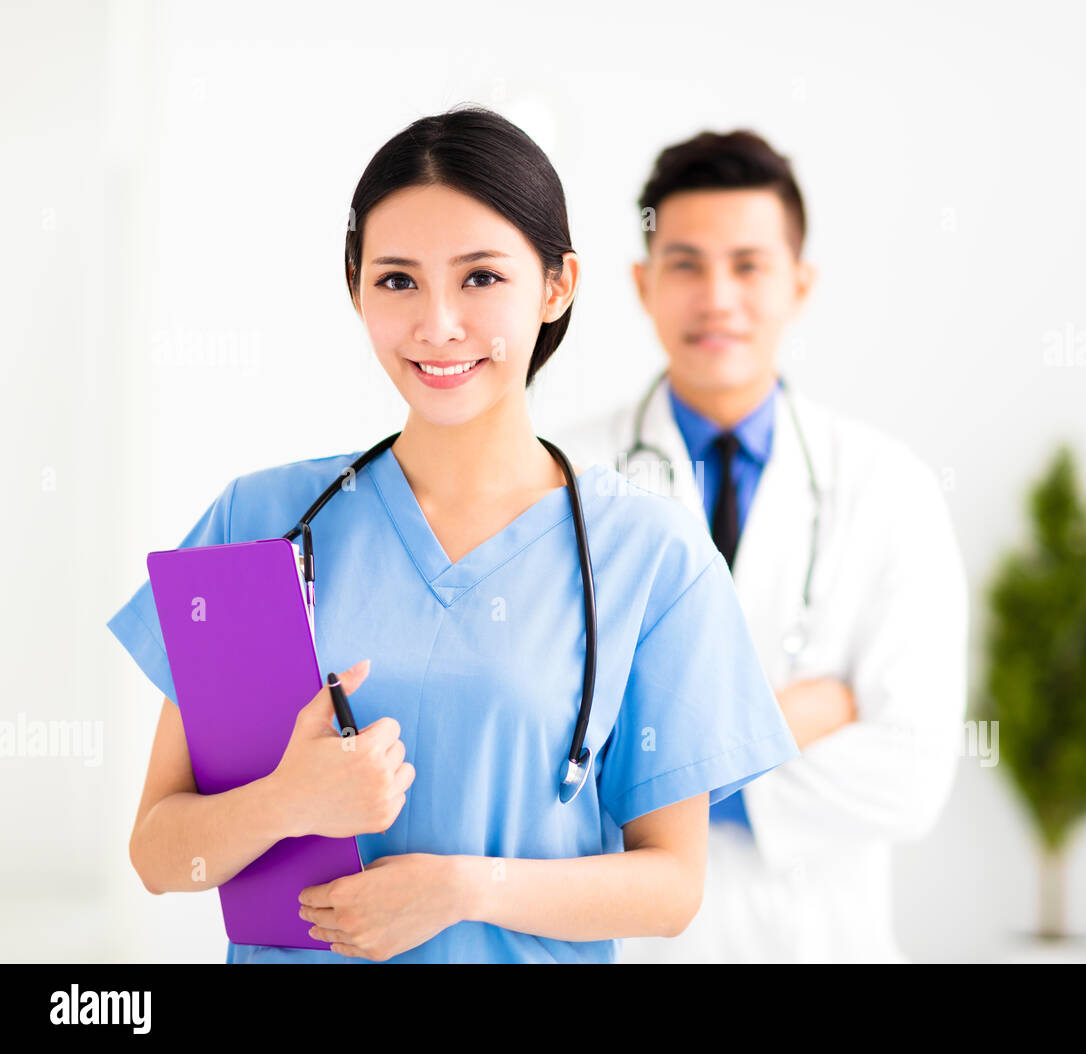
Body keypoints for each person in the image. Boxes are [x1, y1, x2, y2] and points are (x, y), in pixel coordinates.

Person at [106, 107, 799, 964]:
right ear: (356, 287)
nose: (438, 324)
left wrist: (461, 889)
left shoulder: (651, 557)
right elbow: (160, 856)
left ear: (557, 286)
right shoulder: (259, 526)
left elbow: (669, 889)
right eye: (398, 280)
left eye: (480, 278)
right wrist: (288, 803)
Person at [555, 130, 968, 962]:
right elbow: (547, 765)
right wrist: (804, 715)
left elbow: (912, 780)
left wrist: (669, 769)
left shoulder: (889, 487)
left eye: (748, 265)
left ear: (799, 285)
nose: (717, 297)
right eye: (685, 264)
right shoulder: (563, 481)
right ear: (642, 283)